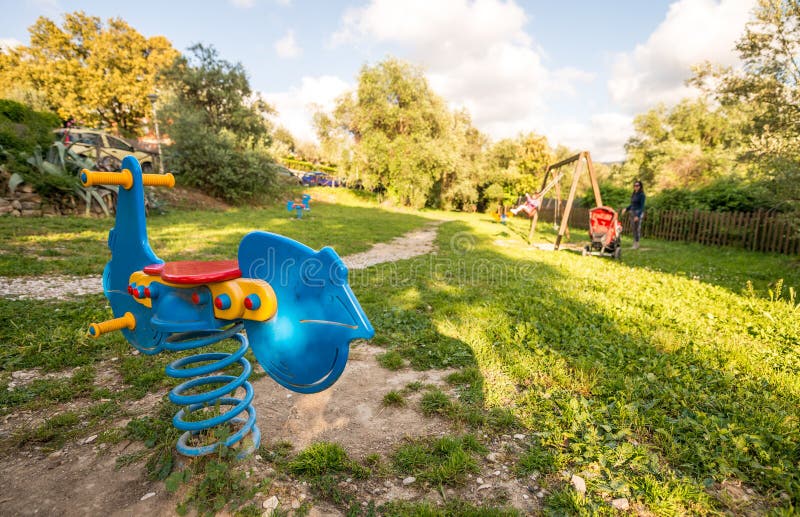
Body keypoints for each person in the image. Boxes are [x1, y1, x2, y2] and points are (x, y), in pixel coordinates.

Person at [622, 180, 645, 249]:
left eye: (637, 185)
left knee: (637, 228)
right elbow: (632, 205)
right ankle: (634, 243)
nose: (636, 187)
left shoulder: (642, 195)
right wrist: (626, 209)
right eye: (635, 185)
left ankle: (636, 244)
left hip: (638, 213)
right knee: (633, 229)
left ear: (640, 186)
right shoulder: (634, 194)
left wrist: (637, 216)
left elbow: (642, 207)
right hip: (632, 212)